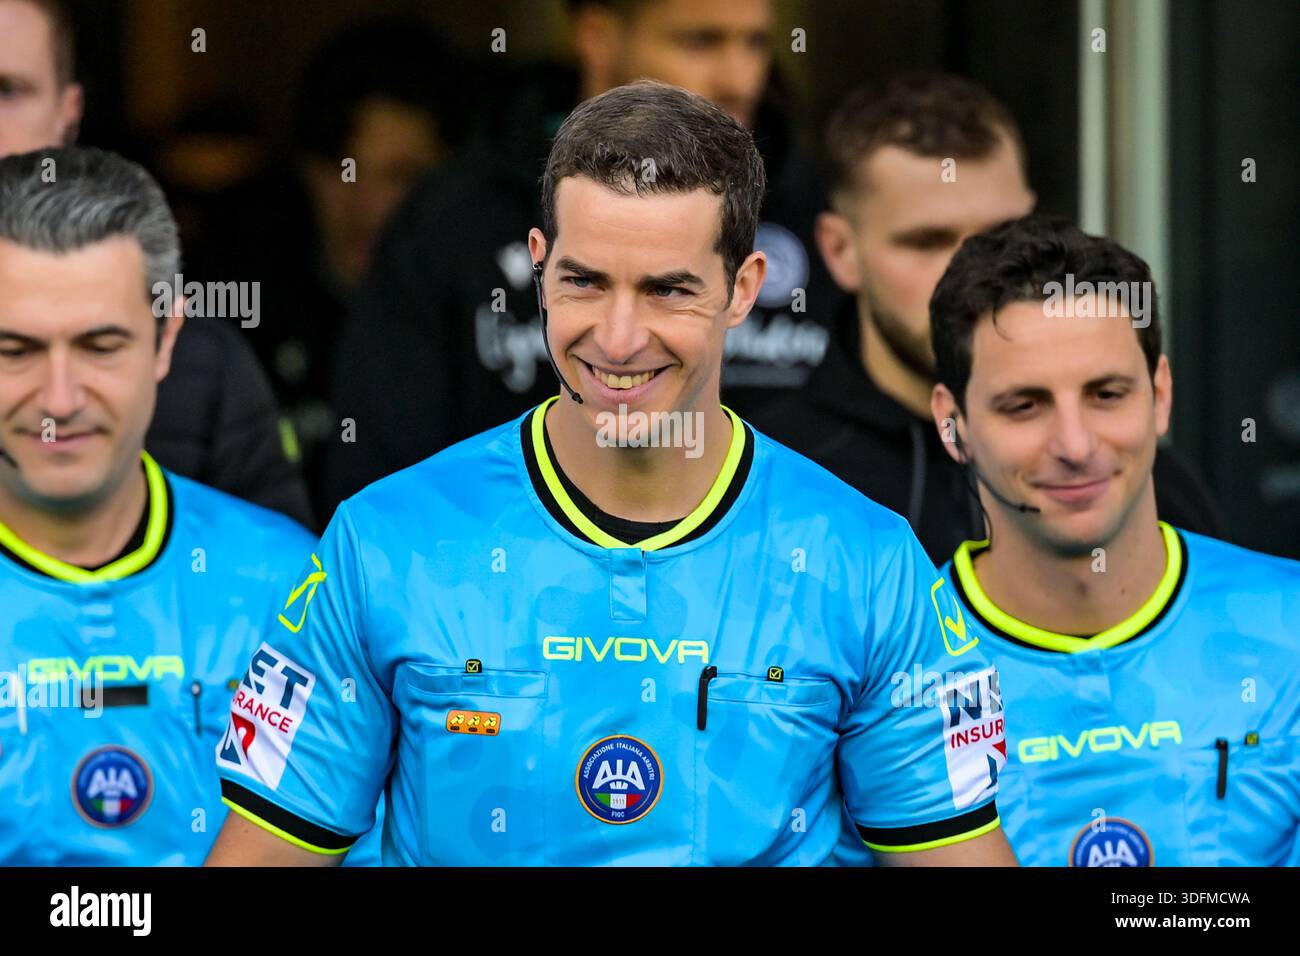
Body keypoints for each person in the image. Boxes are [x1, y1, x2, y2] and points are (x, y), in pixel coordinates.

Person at [206, 82, 1014, 867]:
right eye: (584, 282)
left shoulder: (868, 559)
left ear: (744, 290)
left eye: (668, 290)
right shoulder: (382, 542)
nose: (619, 339)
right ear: (537, 266)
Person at [321, 0, 836, 513]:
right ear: (598, 35)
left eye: (755, 42)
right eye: (700, 41)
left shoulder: (819, 214)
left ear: (746, 284)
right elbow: (380, 476)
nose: (741, 80)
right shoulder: (454, 219)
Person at [928, 215, 1300, 866]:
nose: (1075, 446)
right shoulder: (890, 661)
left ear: (1159, 395)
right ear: (952, 425)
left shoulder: (1288, 628)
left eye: (1106, 394)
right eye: (1024, 405)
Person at [755, 73, 1224, 564]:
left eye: (1002, 233)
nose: (970, 272)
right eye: (927, 241)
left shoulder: (1143, 485)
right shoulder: (774, 482)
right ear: (839, 249)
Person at [0, 146, 315, 864]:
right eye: (14, 350)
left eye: (100, 346)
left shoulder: (286, 586)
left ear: (167, 338)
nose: (58, 400)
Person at [0, 0, 314, 527]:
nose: (59, 395)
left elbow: (279, 594)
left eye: (8, 90)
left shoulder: (200, 364)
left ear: (69, 111)